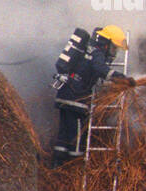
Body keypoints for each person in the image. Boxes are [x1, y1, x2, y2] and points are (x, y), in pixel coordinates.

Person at [51, 24, 133, 167]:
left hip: (66, 93)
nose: (114, 52)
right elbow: (101, 69)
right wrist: (122, 79)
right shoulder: (97, 53)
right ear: (106, 44)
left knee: (64, 132)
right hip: (75, 97)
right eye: (114, 48)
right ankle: (74, 165)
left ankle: (57, 164)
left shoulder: (89, 50)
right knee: (77, 134)